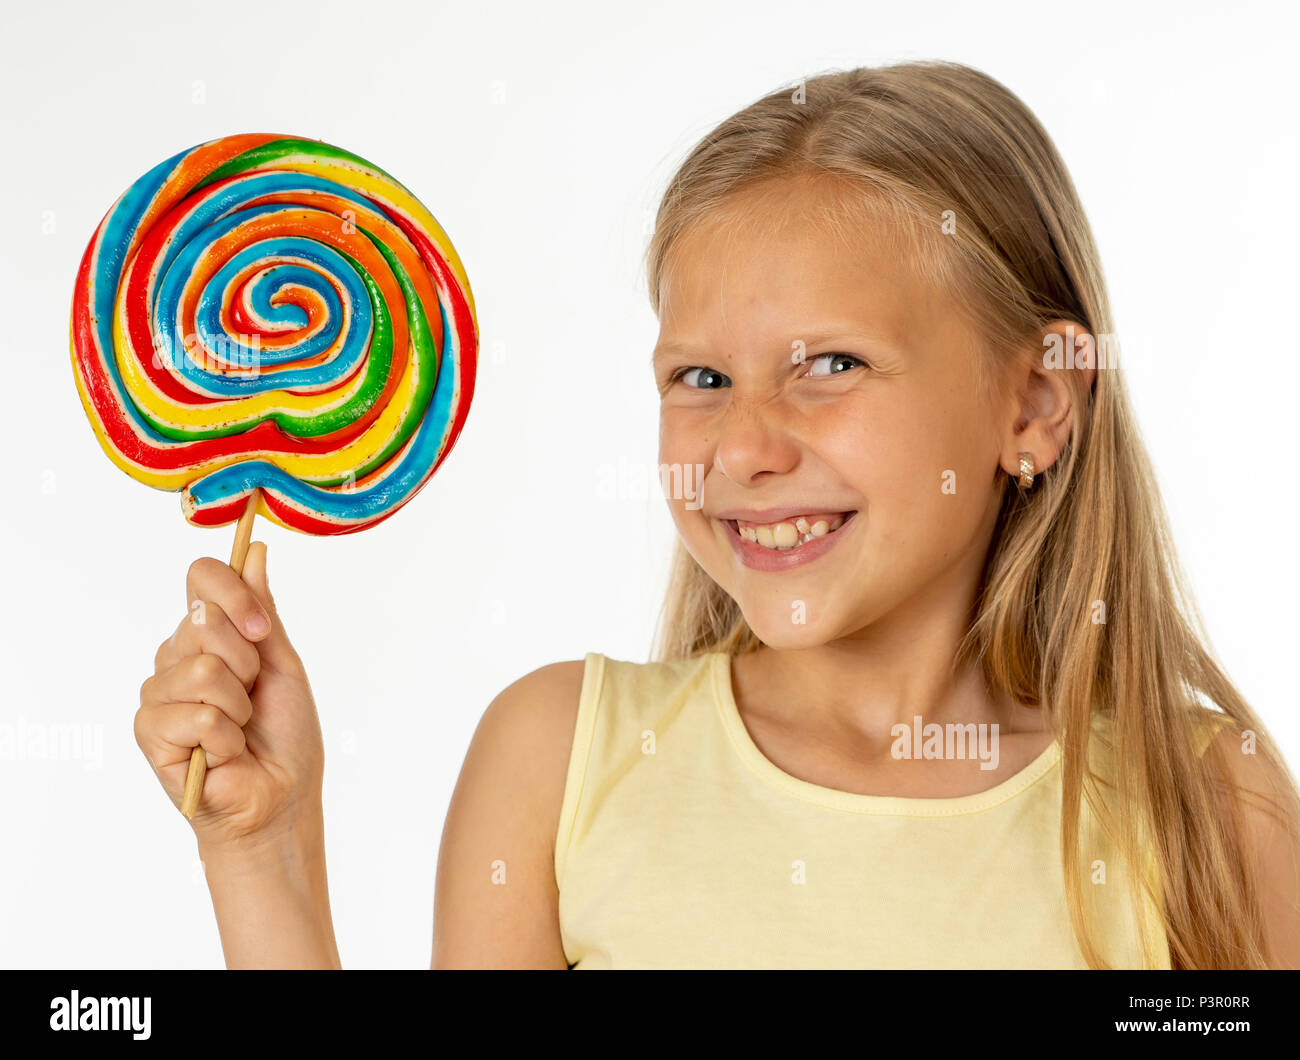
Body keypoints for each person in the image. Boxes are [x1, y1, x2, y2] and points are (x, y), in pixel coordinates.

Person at [134, 60, 1300, 969]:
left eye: (831, 364)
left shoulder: (1208, 810)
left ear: (1035, 404)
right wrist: (264, 851)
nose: (744, 445)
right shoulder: (558, 760)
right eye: (700, 379)